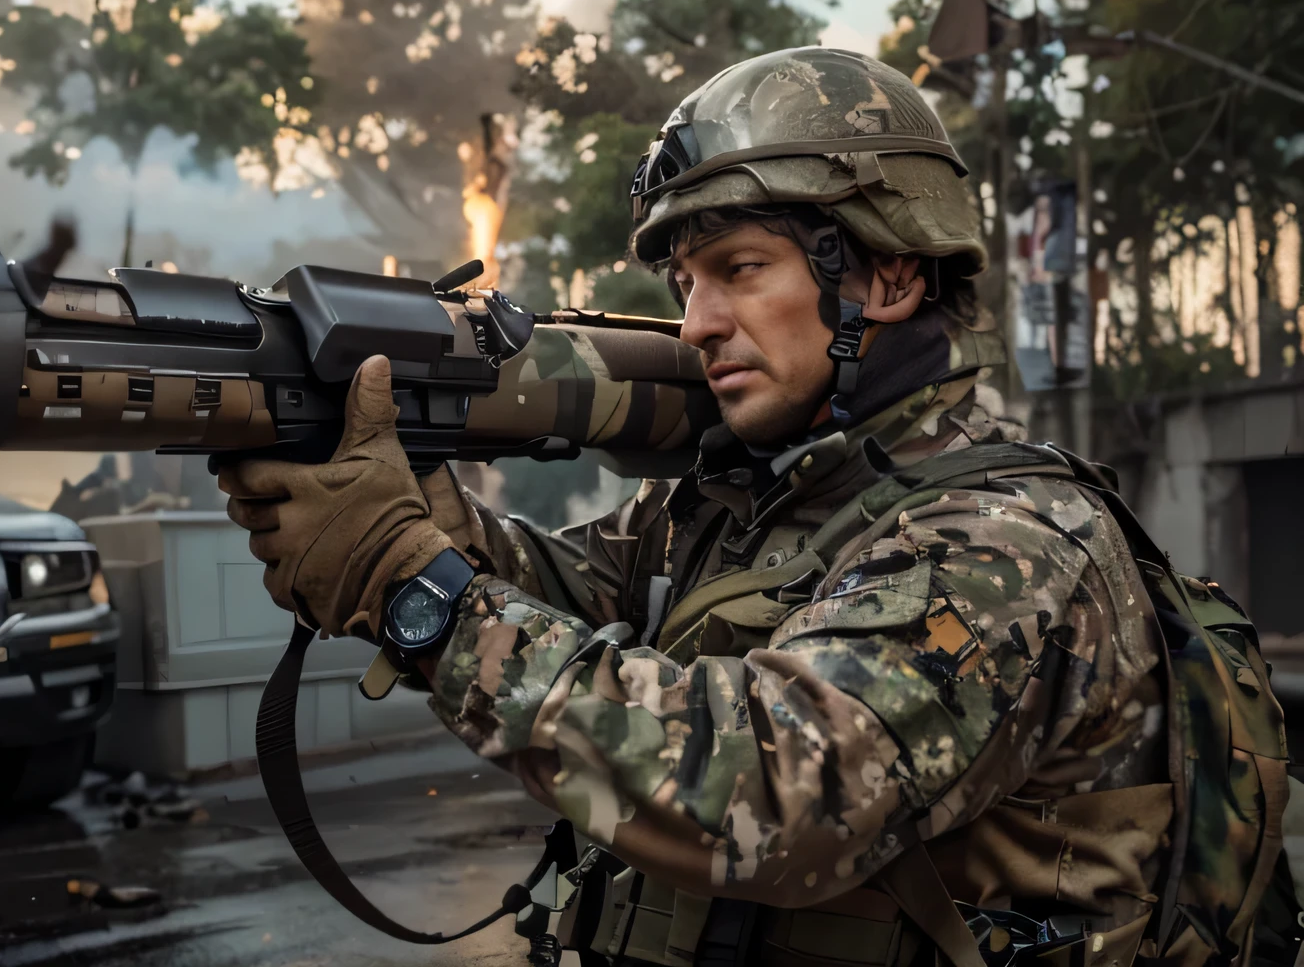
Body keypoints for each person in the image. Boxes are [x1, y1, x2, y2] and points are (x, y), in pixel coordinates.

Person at [219, 48, 1294, 967]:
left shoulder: (1003, 538)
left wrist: (417, 591)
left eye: (739, 269)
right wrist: (415, 516)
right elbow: (565, 596)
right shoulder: (749, 501)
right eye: (687, 284)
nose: (697, 324)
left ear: (886, 275)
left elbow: (768, 792)